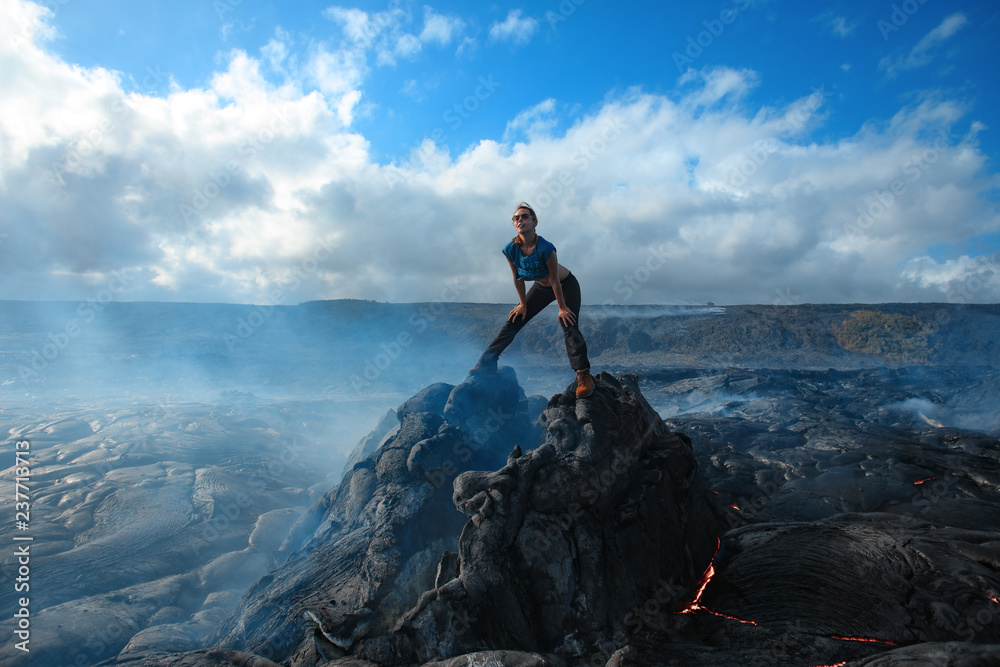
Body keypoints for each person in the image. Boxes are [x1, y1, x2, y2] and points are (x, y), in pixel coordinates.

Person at [470, 202, 594, 398]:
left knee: (568, 323)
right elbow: (517, 277)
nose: (520, 220)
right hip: (541, 287)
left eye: (525, 217)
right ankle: (487, 362)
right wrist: (523, 304)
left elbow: (554, 279)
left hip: (564, 285)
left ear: (535, 222)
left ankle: (584, 374)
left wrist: (562, 308)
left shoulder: (545, 248)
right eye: (516, 218)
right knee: (515, 319)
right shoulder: (510, 249)